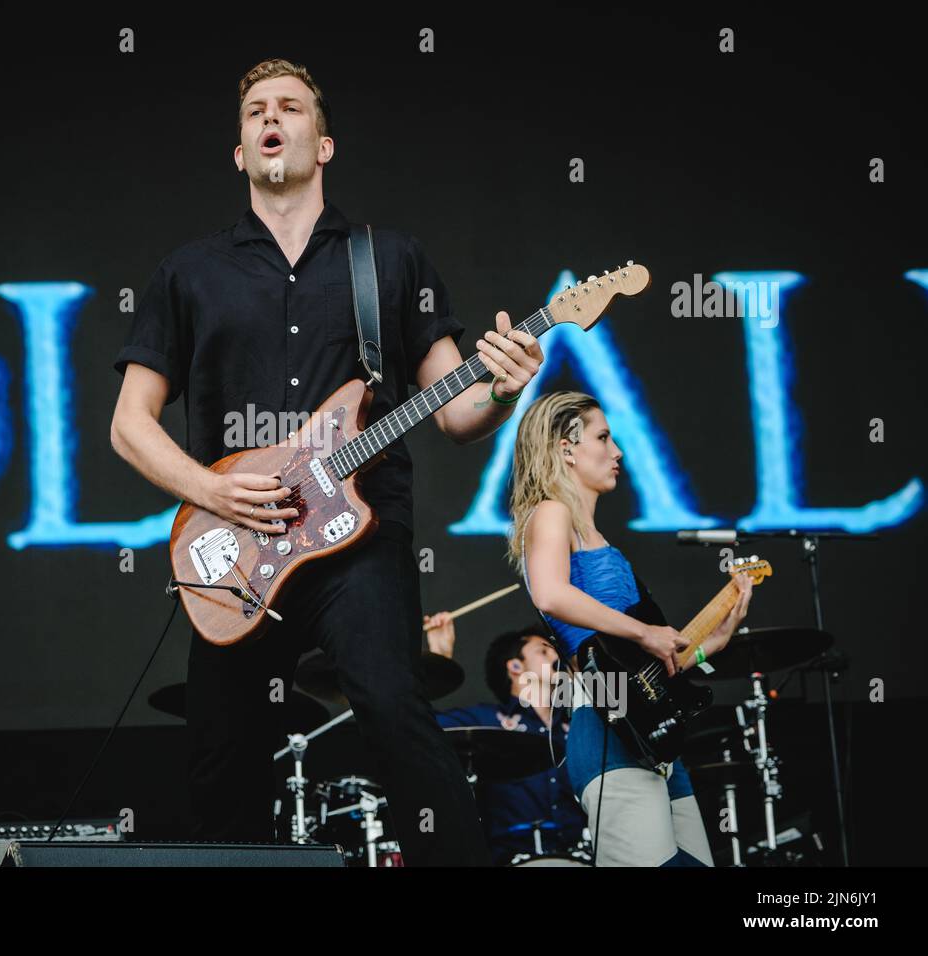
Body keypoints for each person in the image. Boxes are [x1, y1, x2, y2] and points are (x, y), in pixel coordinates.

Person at [110, 58, 544, 865]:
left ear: (325, 141)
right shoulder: (188, 273)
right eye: (254, 112)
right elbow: (128, 427)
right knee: (222, 759)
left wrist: (507, 390)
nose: (271, 118)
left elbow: (456, 412)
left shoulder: (390, 260)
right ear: (241, 150)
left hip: (362, 538)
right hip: (241, 548)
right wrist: (213, 490)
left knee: (392, 708)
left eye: (291, 107)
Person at [508, 391, 753, 866]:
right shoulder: (550, 512)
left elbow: (644, 664)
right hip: (605, 725)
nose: (617, 451)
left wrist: (709, 645)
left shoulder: (603, 542)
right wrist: (645, 633)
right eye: (603, 437)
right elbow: (550, 593)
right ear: (566, 448)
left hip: (646, 725)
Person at [425, 615, 588, 864]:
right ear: (515, 667)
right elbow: (421, 729)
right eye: (544, 651)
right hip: (508, 859)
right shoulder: (485, 720)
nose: (557, 657)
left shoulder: (579, 725)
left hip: (581, 856)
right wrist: (440, 660)